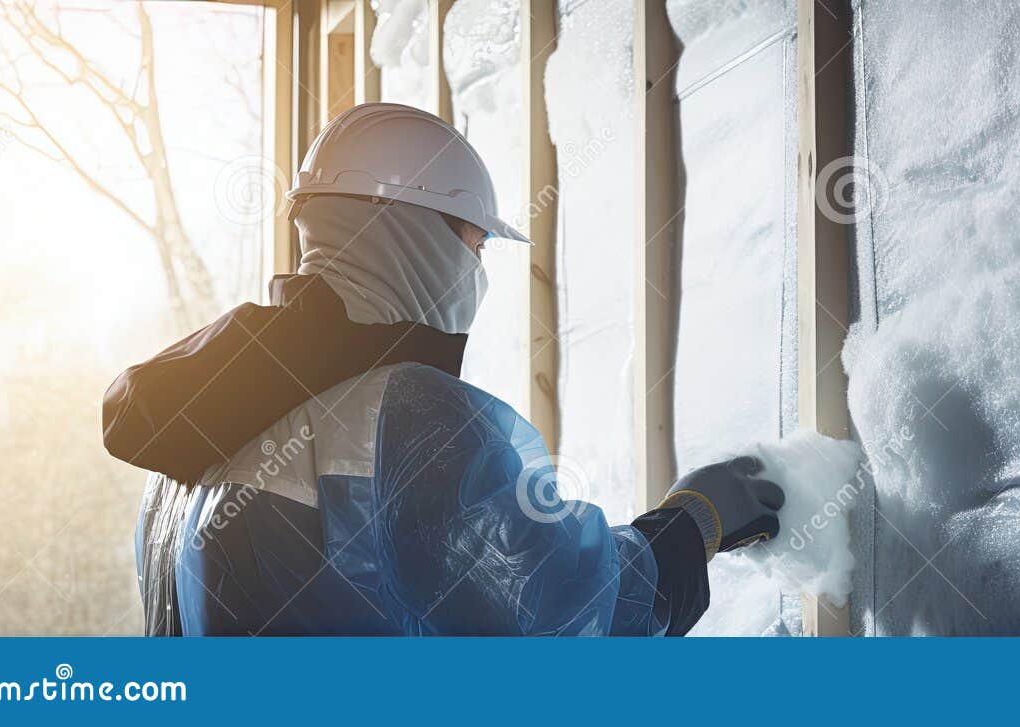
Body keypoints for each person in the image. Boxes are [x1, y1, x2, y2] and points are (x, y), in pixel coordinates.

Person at [105, 103, 784, 636]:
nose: (478, 269)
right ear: (412, 234)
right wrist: (693, 524)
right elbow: (564, 618)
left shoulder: (192, 438)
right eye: (474, 241)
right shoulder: (408, 419)